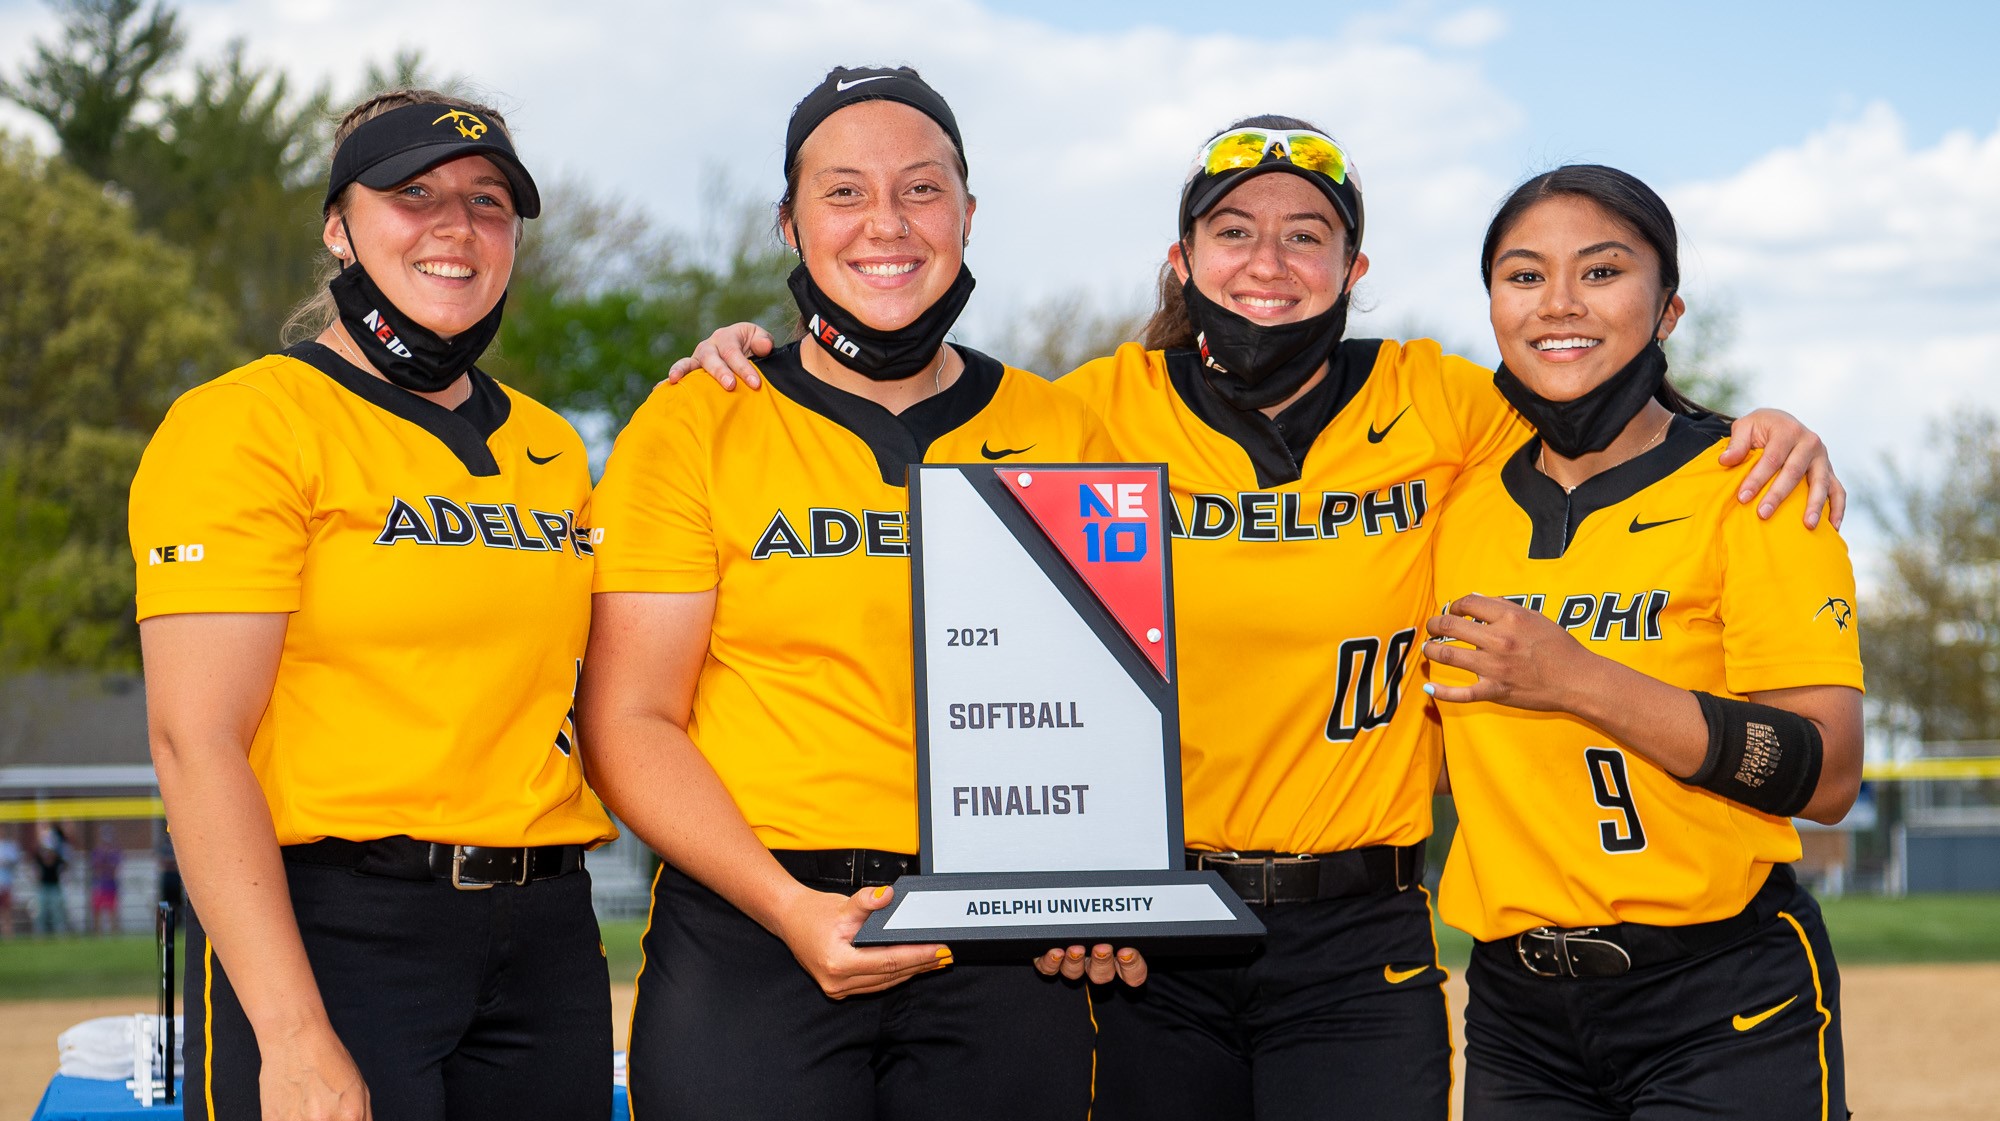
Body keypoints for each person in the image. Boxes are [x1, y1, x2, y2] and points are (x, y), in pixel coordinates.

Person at [672, 116, 1842, 1121]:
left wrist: (1756, 423)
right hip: (1156, 931)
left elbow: (1590, 395)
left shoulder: (1441, 404)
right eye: (1232, 231)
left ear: (1353, 261)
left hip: (1362, 932)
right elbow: (906, 410)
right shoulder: (1087, 412)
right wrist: (752, 359)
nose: (1266, 262)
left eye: (1304, 234)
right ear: (1179, 259)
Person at [579, 66, 1119, 1121]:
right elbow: (629, 717)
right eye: (843, 191)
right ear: (788, 222)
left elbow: (1097, 709)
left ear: (968, 212)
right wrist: (786, 904)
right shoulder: (695, 422)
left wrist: (1097, 881)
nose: (886, 222)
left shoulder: (1063, 432)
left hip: (1001, 927)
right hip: (751, 917)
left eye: (921, 189)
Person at [130, 88, 616, 1121]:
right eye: (412, 194)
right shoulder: (245, 424)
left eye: (489, 202)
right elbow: (193, 738)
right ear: (338, 228)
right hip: (332, 930)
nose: (457, 225)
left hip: (546, 936)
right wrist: (294, 1032)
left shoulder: (551, 445)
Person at [1422, 164, 1861, 1121]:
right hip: (1514, 1010)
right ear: (1493, 304)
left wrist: (1576, 679)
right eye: (1524, 275)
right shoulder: (1457, 505)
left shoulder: (1756, 485)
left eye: (1603, 270)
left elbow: (1826, 775)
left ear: (1666, 310)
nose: (1560, 304)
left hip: (1720, 996)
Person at [33, 826, 70, 936]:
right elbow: (35, 869)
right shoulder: (39, 858)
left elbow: (66, 866)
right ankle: (40, 934)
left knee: (57, 911)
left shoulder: (58, 858)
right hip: (43, 886)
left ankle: (60, 933)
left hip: (55, 886)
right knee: (41, 912)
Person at [88, 842, 122, 934]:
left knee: (112, 910)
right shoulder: (97, 853)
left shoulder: (114, 854)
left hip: (111, 886)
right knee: (97, 910)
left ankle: (114, 932)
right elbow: (96, 868)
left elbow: (114, 870)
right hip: (99, 886)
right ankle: (97, 933)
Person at [0, 828, 20, 937]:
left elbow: (14, 860)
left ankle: (8, 934)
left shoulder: (10, 846)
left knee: (6, 910)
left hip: (6, 882)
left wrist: (5, 861)